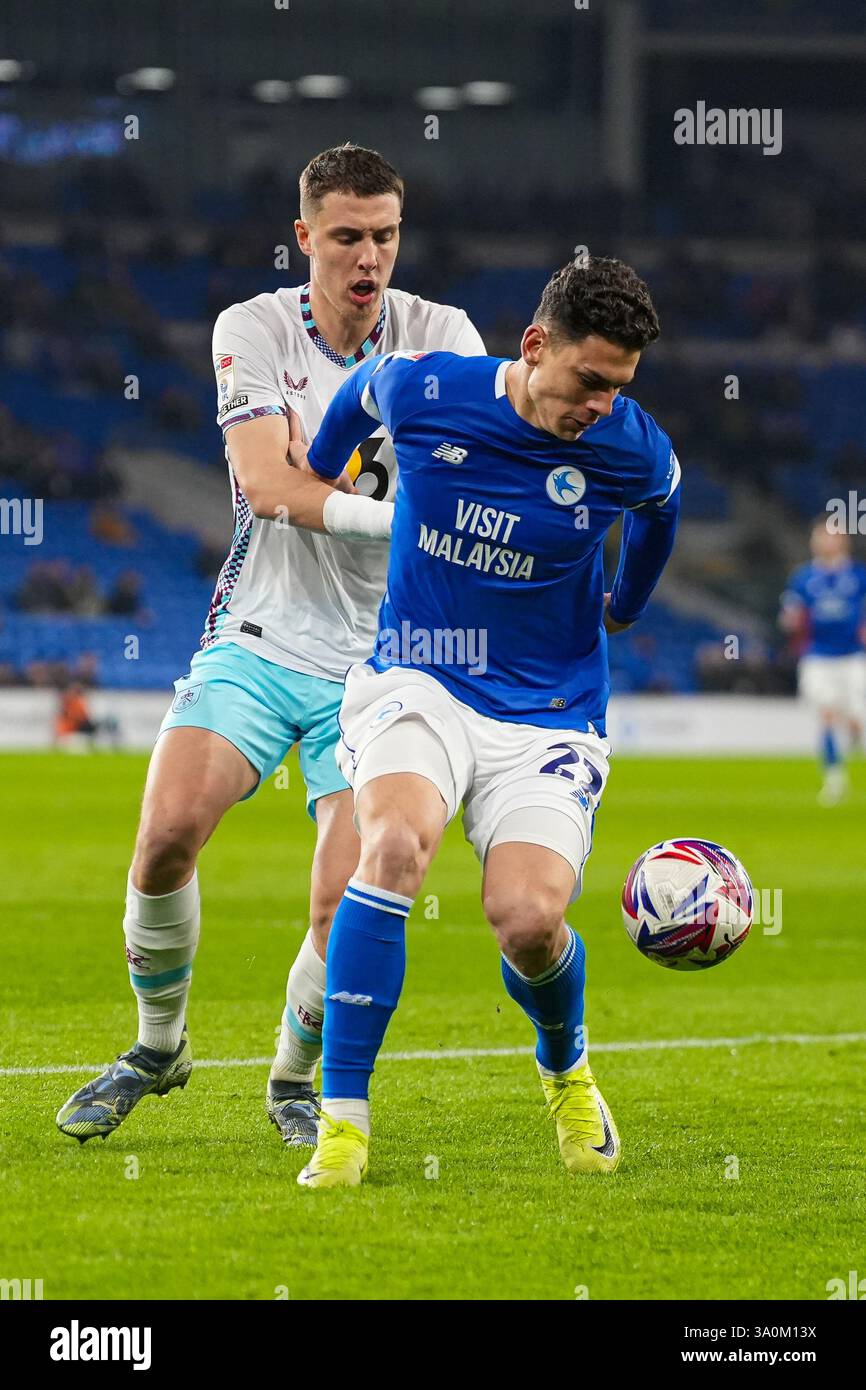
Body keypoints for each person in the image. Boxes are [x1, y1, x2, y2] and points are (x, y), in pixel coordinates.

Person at [56, 144, 484, 1145]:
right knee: (165, 835)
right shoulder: (251, 328)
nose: (366, 256)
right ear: (304, 240)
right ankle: (158, 1046)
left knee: (348, 897)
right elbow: (266, 487)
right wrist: (402, 519)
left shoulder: (444, 336)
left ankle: (291, 1080)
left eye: (382, 234)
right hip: (260, 632)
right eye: (345, 237)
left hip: (386, 662)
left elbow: (464, 474)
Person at [290, 255, 680, 1189]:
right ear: (535, 346)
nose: (600, 404)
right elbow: (360, 396)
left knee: (529, 920)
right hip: (419, 679)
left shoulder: (630, 445)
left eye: (618, 388)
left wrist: (623, 604)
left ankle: (565, 1069)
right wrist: (320, 471)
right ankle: (343, 1125)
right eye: (589, 380)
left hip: (550, 714)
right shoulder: (431, 388)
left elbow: (664, 509)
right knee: (390, 849)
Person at [780, 520, 866, 805]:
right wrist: (791, 621)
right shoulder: (804, 577)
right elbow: (790, 614)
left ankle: (853, 733)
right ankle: (834, 778)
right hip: (817, 656)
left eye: (832, 536)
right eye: (822, 536)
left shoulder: (858, 575)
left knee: (858, 720)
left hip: (853, 656)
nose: (826, 542)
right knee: (826, 714)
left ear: (844, 541)